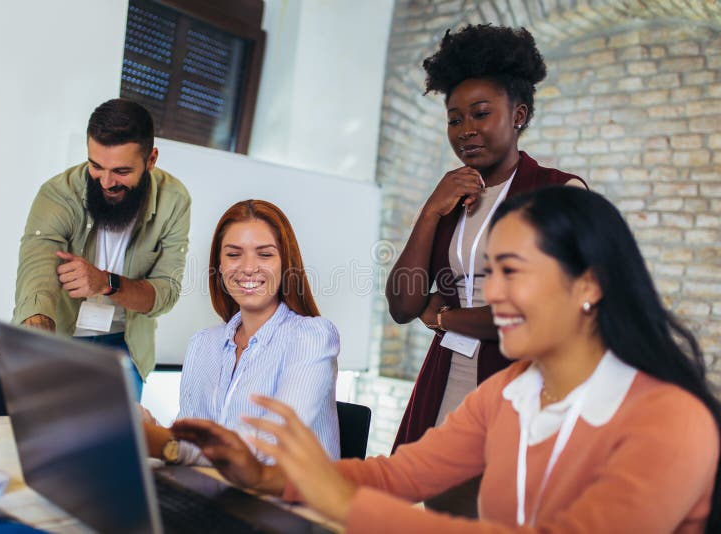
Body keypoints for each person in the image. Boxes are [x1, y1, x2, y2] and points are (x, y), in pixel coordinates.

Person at [169, 187, 721, 533]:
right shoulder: (507, 392)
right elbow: (399, 473)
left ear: (589, 284)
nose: (491, 295)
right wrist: (264, 477)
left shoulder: (671, 420)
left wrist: (342, 502)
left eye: (512, 272)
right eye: (488, 273)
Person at [387, 25, 587, 463]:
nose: (465, 131)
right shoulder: (452, 199)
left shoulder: (559, 193)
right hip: (447, 383)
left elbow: (541, 315)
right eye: (454, 119)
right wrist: (429, 212)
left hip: (524, 385)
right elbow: (403, 307)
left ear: (518, 114)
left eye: (480, 114)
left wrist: (441, 314)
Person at [13, 98, 191, 400]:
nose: (106, 182)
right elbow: (36, 278)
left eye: (121, 171)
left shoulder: (174, 200)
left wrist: (105, 283)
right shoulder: (57, 195)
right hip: (63, 337)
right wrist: (39, 352)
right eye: (96, 166)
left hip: (126, 346)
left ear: (151, 160)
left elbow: (165, 293)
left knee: (115, 443)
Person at [142, 200, 340, 465]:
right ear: (219, 265)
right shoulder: (204, 344)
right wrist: (149, 427)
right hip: (220, 494)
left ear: (286, 263)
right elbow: (190, 437)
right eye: (234, 254)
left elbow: (267, 449)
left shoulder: (312, 338)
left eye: (265, 254)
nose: (248, 268)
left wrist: (161, 442)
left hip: (290, 503)